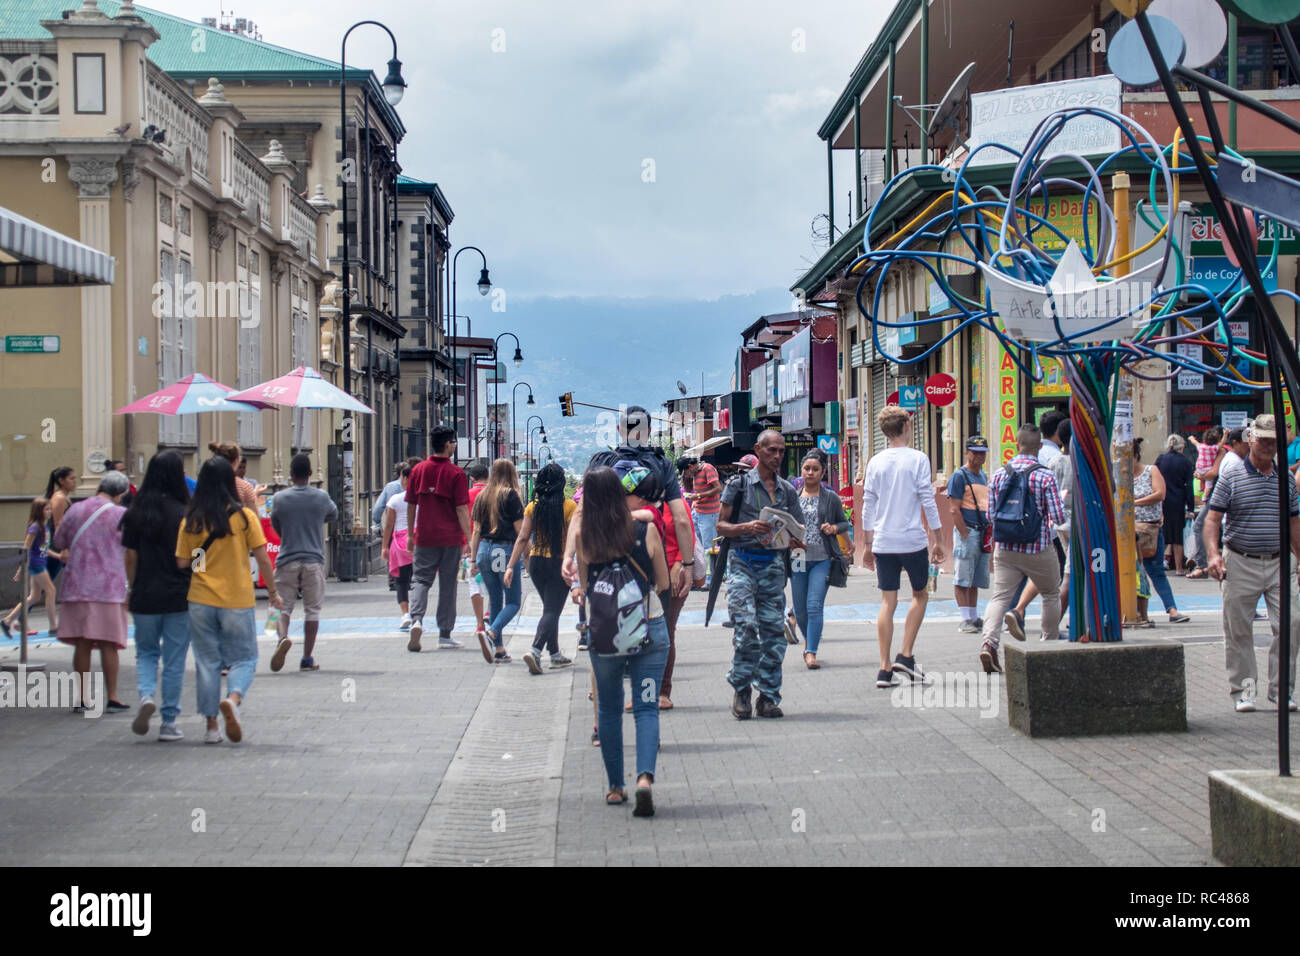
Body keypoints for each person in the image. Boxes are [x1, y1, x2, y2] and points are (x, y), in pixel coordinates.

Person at [572, 466, 671, 816]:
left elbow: (585, 588)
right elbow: (662, 582)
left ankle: (616, 787)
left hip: (605, 636)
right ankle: (645, 778)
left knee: (609, 709)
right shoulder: (644, 529)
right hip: (650, 629)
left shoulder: (585, 536)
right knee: (646, 706)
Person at [176, 456, 282, 744]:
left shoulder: (191, 519)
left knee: (207, 662)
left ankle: (211, 729)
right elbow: (262, 558)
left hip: (200, 599)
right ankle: (233, 700)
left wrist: (204, 561)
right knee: (245, 658)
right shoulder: (244, 517)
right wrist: (273, 594)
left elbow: (185, 563)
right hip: (237, 598)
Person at [1204, 413, 1300, 713]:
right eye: (1264, 440)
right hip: (1241, 559)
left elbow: (1295, 522)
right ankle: (1244, 691)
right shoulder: (1232, 475)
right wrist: (1213, 553)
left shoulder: (1285, 479)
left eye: (1274, 442)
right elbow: (1212, 519)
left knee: (1291, 623)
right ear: (1251, 439)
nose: (1269, 446)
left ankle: (1281, 691)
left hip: (1279, 561)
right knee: (1238, 629)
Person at [564, 405, 695, 602]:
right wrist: (688, 565)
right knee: (653, 620)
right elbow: (682, 519)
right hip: (647, 559)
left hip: (603, 557)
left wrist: (568, 556)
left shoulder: (602, 462)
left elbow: (580, 513)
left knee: (603, 622)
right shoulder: (662, 464)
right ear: (648, 431)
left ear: (619, 430)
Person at [717, 429, 805, 718]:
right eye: (771, 450)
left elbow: (799, 532)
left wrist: (794, 541)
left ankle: (767, 696)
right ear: (758, 450)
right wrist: (746, 528)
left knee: (772, 634)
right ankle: (741, 689)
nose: (777, 456)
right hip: (742, 562)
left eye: (781, 451)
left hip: (773, 566)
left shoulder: (788, 490)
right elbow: (721, 526)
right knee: (745, 628)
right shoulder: (739, 485)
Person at [861, 405, 943, 688]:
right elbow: (928, 499)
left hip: (884, 541)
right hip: (912, 540)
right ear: (907, 427)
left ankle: (884, 668)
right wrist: (938, 539)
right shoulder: (918, 459)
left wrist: (868, 543)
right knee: (920, 595)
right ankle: (905, 654)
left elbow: (867, 504)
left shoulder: (875, 462)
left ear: (884, 432)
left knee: (887, 601)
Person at [978, 423, 1066, 673]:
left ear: (1016, 444)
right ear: (1040, 446)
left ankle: (989, 643)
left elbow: (992, 516)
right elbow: (1058, 517)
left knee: (1000, 597)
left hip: (1005, 548)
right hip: (1038, 547)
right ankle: (1048, 646)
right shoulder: (1045, 475)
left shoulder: (998, 474)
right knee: (1050, 592)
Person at [121, 451, 193, 741]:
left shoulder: (136, 512)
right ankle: (169, 722)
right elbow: (194, 557)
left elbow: (130, 556)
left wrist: (131, 587)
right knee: (175, 660)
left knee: (146, 653)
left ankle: (146, 695)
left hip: (144, 595)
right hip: (179, 595)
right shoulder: (185, 514)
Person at [51, 470, 131, 713]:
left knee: (83, 644)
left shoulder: (75, 509)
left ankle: (83, 698)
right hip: (109, 587)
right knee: (109, 644)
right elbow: (130, 547)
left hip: (77, 584)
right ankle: (113, 697)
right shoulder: (122, 515)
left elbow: (58, 541)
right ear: (120, 494)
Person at [1004, 414, 1072, 638]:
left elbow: (993, 507)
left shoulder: (1003, 470)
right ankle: (1049, 632)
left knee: (1003, 591)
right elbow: (1057, 512)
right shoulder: (1052, 464)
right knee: (1054, 586)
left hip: (1011, 533)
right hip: (1047, 533)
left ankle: (993, 637)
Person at [505, 462, 576, 675]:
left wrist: (511, 566)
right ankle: (535, 650)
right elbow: (575, 538)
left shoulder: (532, 507)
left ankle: (554, 654)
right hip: (558, 562)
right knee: (553, 610)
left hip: (536, 563)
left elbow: (523, 538)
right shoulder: (570, 507)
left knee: (549, 609)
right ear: (561, 483)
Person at [270, 453, 338, 671]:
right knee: (312, 610)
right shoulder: (321, 497)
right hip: (313, 558)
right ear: (310, 473)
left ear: (291, 474)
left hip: (287, 558)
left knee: (281, 606)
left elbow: (275, 524)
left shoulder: (280, 498)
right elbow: (333, 515)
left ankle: (282, 638)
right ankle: (307, 658)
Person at [406, 427, 471, 653]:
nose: (454, 445)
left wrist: (410, 535)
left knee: (421, 580)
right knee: (447, 584)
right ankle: (444, 634)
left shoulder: (418, 471)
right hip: (450, 538)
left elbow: (411, 505)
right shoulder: (456, 474)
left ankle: (416, 620)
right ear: (447, 445)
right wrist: (469, 539)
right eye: (453, 442)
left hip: (424, 536)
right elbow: (462, 509)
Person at [791, 450, 850, 669]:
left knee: (814, 605)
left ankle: (811, 651)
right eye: (807, 468)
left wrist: (833, 528)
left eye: (815, 469)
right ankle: (809, 641)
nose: (811, 473)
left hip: (823, 558)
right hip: (797, 557)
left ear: (823, 472)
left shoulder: (830, 498)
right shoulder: (793, 497)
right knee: (800, 609)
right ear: (801, 471)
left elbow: (844, 524)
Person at [469, 458, 525, 664]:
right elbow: (520, 531)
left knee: (494, 600)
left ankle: (499, 649)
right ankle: (492, 632)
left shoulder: (482, 496)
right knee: (513, 601)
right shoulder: (511, 496)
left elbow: (476, 531)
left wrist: (473, 560)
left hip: (484, 550)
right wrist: (526, 554)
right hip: (504, 550)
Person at [1131, 438, 1190, 625]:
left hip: (1150, 529)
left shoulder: (1151, 470)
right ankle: (1137, 613)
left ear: (1135, 456)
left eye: (1127, 458)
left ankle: (1172, 610)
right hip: (1128, 532)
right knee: (1133, 574)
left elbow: (1160, 494)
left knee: (1155, 571)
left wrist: (1133, 502)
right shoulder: (1119, 475)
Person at [947, 436, 991, 634]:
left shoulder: (984, 477)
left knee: (976, 578)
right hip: (969, 530)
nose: (979, 456)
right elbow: (954, 509)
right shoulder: (959, 476)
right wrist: (964, 532)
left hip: (983, 532)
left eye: (982, 453)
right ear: (967, 453)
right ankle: (964, 618)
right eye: (975, 452)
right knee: (963, 576)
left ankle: (973, 616)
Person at [2, 497, 61, 639]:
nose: (50, 512)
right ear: (38, 511)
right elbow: (26, 547)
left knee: (34, 596)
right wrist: (20, 569)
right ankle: (53, 626)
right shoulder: (35, 527)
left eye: (50, 509)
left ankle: (7, 621)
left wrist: (58, 556)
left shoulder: (45, 527)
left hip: (40, 561)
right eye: (46, 509)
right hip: (36, 563)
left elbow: (44, 548)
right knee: (51, 591)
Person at [381, 464, 415, 630]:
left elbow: (389, 525)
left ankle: (405, 614)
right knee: (419, 581)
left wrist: (384, 546)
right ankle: (418, 613)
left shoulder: (395, 500)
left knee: (401, 581)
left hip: (400, 543)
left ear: (405, 479)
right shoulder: (422, 499)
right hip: (419, 542)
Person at [1188, 425, 1224, 577]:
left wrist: (1200, 476)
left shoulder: (1221, 450)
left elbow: (1213, 474)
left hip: (1217, 493)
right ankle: (1204, 562)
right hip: (1214, 492)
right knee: (1206, 526)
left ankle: (1202, 565)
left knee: (1199, 526)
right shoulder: (1217, 450)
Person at [1156, 435, 1196, 575]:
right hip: (1178, 502)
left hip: (1161, 501)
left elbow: (1153, 479)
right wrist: (1190, 507)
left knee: (1162, 533)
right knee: (1177, 536)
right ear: (1182, 446)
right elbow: (1189, 487)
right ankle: (1179, 568)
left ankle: (1159, 564)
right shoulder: (1185, 462)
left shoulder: (1161, 460)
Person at [680, 456, 721, 588]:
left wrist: (698, 496)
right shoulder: (696, 473)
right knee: (695, 546)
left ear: (690, 466)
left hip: (709, 514)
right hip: (697, 511)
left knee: (708, 548)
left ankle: (709, 580)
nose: (686, 475)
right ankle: (699, 578)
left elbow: (718, 488)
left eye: (685, 472)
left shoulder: (707, 468)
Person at [463, 460, 491, 641]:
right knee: (493, 582)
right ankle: (491, 612)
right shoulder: (494, 495)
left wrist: (464, 542)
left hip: (472, 545)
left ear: (471, 478)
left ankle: (479, 624)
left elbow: (462, 519)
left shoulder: (467, 496)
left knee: (474, 584)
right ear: (488, 477)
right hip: (493, 544)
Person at [44, 465, 77, 584]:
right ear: (61, 481)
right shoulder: (59, 499)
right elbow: (58, 525)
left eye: (75, 478)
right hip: (57, 548)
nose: (74, 482)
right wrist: (63, 548)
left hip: (64, 546)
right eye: (71, 479)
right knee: (39, 591)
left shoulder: (65, 497)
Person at [207, 441, 259, 510]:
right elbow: (253, 517)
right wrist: (254, 494)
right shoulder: (244, 487)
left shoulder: (206, 483)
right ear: (236, 461)